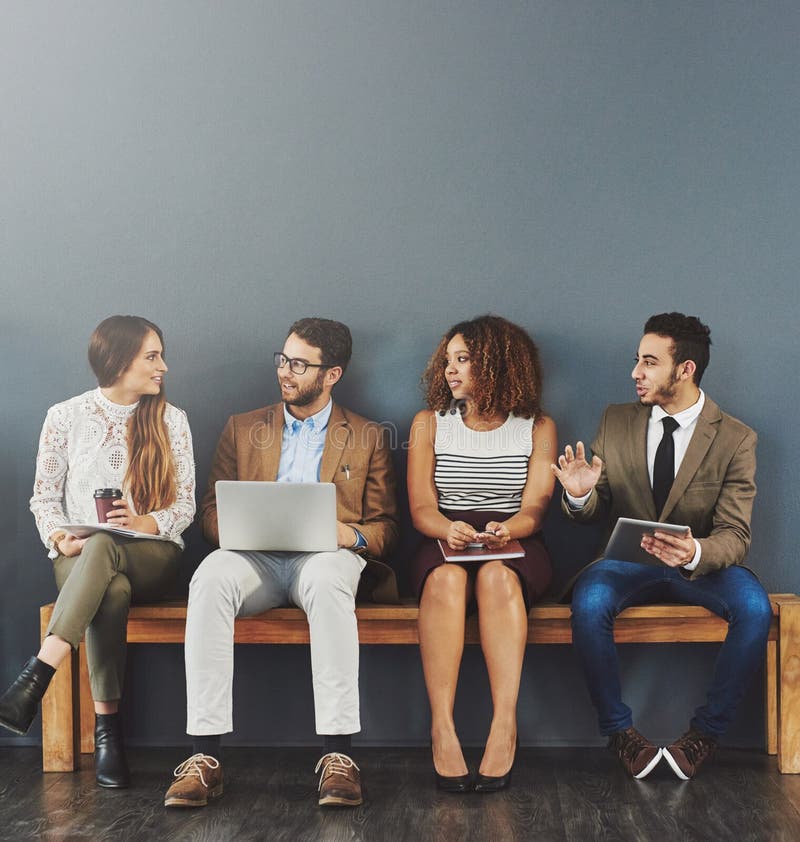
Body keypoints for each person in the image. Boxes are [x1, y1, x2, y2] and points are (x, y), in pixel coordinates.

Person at [164, 317, 399, 810]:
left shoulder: (368, 434)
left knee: (332, 579)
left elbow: (384, 526)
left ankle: (339, 755)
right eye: (283, 359)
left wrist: (346, 534)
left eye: (299, 364)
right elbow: (209, 509)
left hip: (325, 559)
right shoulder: (243, 428)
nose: (285, 372)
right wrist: (231, 528)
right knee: (208, 578)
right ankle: (203, 757)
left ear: (331, 374)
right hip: (254, 558)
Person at [552, 312, 772, 780]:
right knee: (590, 601)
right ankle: (619, 734)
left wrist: (694, 553)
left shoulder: (736, 439)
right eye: (637, 360)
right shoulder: (616, 420)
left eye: (649, 362)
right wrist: (580, 493)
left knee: (755, 607)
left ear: (685, 369)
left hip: (700, 568)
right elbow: (594, 510)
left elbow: (735, 535)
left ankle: (705, 735)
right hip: (626, 565)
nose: (636, 372)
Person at [0, 315, 196, 787]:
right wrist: (59, 537)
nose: (163, 366)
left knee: (109, 543)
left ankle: (38, 671)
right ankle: (109, 733)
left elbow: (185, 503)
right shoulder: (64, 416)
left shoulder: (172, 420)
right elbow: (43, 498)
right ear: (119, 361)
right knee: (109, 588)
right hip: (79, 556)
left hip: (153, 554)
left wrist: (143, 521)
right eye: (152, 356)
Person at [407, 315, 556, 792]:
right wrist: (448, 529)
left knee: (495, 578)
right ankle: (442, 728)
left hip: (516, 541)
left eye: (464, 360)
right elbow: (421, 508)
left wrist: (505, 530)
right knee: (447, 580)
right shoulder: (429, 423)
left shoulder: (538, 426)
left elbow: (535, 506)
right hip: (443, 537)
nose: (451, 371)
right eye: (448, 360)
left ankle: (504, 725)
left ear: (498, 363)